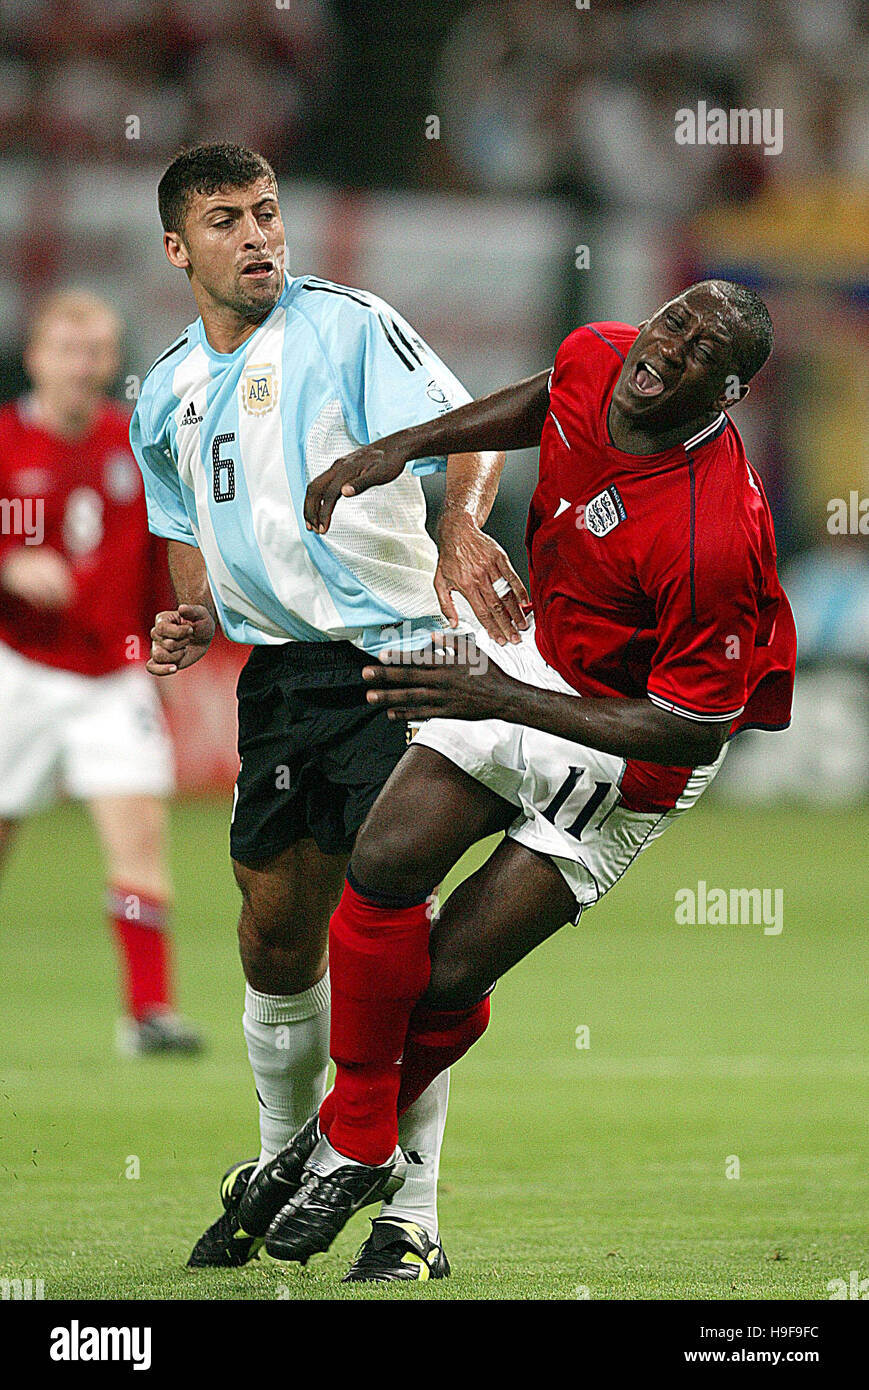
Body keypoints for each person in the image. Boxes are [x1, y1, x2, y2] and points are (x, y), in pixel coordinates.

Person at [232, 279, 798, 1266]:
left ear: (727, 394)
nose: (670, 347)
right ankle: (360, 1138)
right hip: (543, 660)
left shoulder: (712, 534)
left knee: (443, 975)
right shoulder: (603, 351)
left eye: (704, 351)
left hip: (628, 750)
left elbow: (688, 731)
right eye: (675, 320)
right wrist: (402, 447)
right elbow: (548, 395)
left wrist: (498, 699)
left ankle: (347, 1141)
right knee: (382, 859)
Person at [131, 142, 529, 1281]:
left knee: (385, 945)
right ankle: (277, 1165)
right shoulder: (162, 388)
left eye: (266, 213)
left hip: (397, 655)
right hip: (282, 678)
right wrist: (193, 615)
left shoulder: (347, 323)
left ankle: (411, 1217)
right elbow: (180, 518)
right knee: (270, 938)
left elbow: (469, 430)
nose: (257, 236)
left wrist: (457, 526)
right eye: (225, 220)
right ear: (178, 248)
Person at [0, 289, 202, 1057]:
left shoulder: (133, 446)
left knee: (140, 831)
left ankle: (147, 1015)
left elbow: (165, 547)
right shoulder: (6, 445)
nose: (84, 367)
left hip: (112, 674)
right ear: (35, 357)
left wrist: (176, 619)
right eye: (68, 350)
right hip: (18, 669)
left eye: (97, 352)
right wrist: (8, 562)